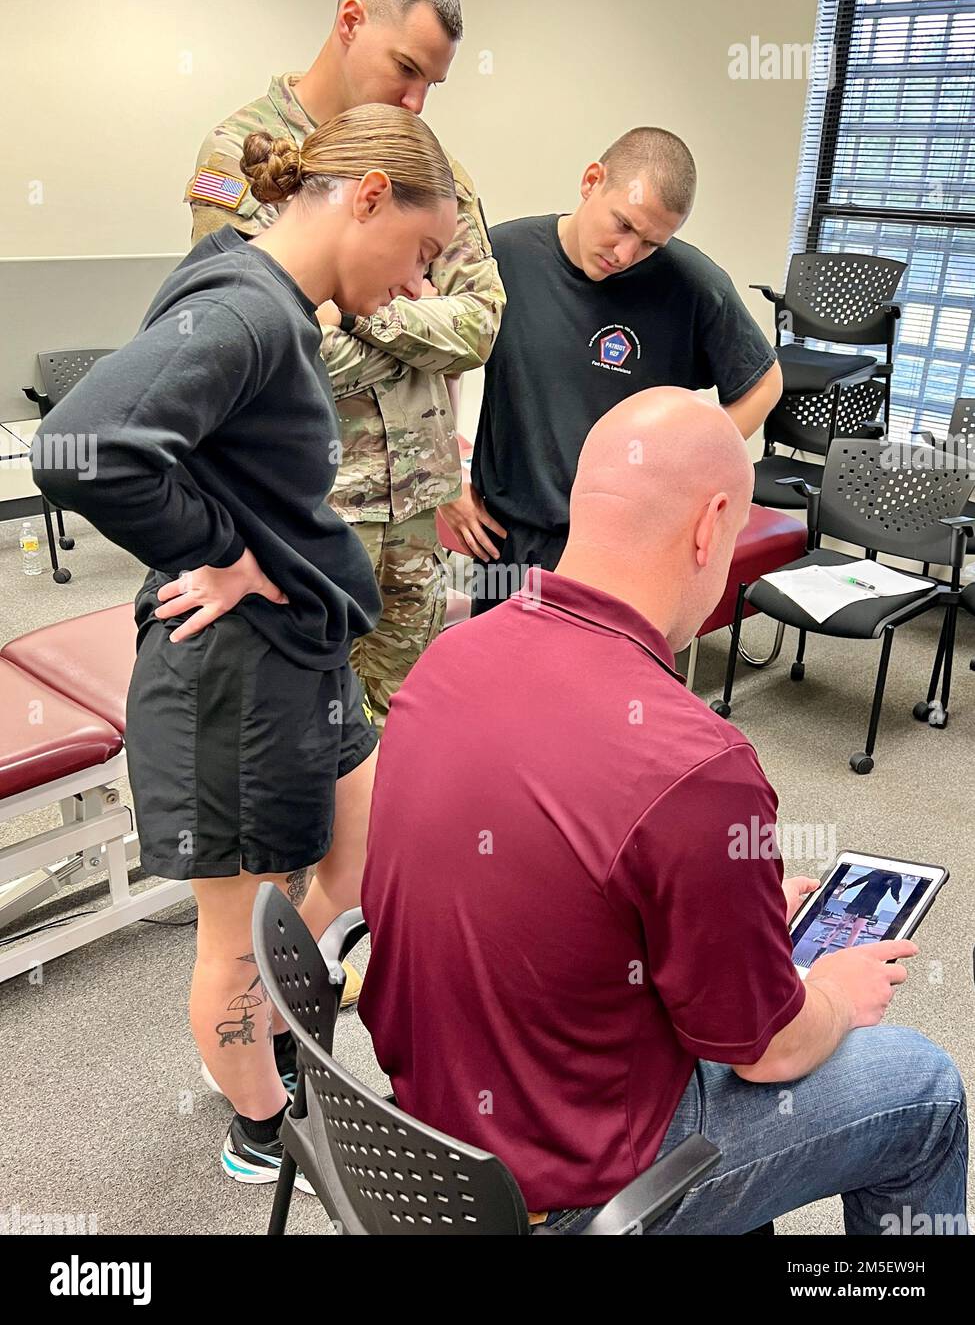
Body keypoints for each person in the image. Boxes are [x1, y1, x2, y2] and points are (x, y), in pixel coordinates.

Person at [358, 388, 967, 1234]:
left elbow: (551, 885)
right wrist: (827, 990)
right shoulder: (698, 766)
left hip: (424, 1145)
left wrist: (735, 916)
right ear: (712, 524)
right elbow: (768, 1052)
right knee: (921, 1085)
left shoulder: (450, 655)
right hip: (579, 1196)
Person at [33, 103, 458, 1192]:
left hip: (301, 658)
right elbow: (80, 449)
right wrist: (232, 549)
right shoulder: (251, 310)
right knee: (234, 937)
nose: (418, 285)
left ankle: (276, 1016)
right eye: (420, 252)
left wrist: (258, 548)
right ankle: (264, 1119)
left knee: (355, 860)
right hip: (234, 679)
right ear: (367, 197)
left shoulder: (257, 282)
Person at [186, 0, 504, 735]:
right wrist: (406, 311)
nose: (416, 101)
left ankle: (371, 868)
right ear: (352, 22)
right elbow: (268, 348)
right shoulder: (246, 153)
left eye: (433, 82)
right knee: (297, 727)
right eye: (406, 68)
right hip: (311, 504)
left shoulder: (435, 169)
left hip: (417, 499)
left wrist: (354, 307)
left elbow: (481, 326)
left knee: (399, 724)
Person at [439, 127, 782, 615]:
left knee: (589, 686)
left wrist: (693, 469)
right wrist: (446, 476)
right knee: (504, 680)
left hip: (620, 548)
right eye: (622, 224)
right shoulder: (504, 257)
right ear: (591, 180)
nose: (625, 254)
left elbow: (764, 382)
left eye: (649, 243)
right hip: (508, 536)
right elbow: (435, 360)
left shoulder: (690, 285)